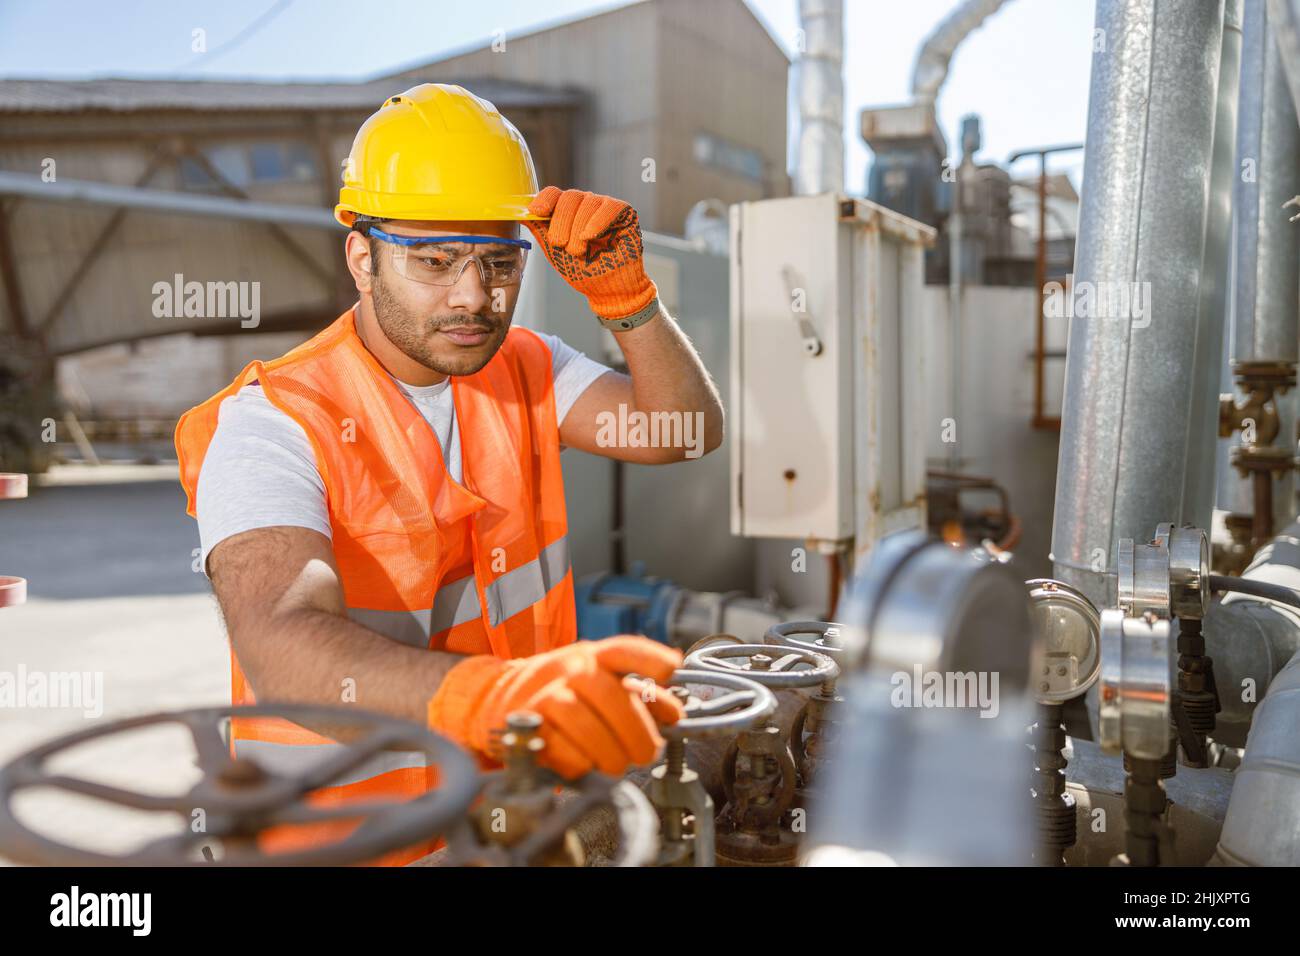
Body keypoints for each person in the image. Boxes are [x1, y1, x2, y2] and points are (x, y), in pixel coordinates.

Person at [174, 83, 723, 863]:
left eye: (500, 262)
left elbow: (687, 433)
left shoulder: (526, 366)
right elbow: (279, 641)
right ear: (361, 257)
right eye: (434, 260)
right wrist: (496, 700)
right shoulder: (272, 421)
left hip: (512, 822)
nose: (475, 296)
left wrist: (628, 302)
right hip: (349, 849)